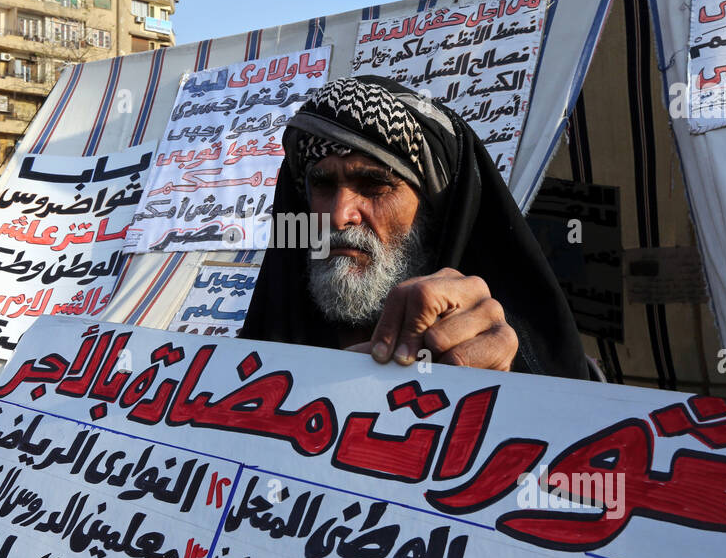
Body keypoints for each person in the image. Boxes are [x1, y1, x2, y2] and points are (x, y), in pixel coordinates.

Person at [239, 75, 592, 379]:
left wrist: (511, 375)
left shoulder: (502, 345)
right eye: (323, 184)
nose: (339, 215)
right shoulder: (249, 356)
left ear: (432, 210)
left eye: (374, 184)